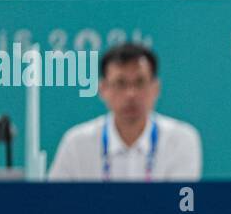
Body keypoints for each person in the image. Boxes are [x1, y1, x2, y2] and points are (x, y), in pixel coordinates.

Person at [48, 43, 202, 181]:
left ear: (155, 88)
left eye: (140, 82)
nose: (131, 94)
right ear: (103, 89)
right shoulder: (76, 143)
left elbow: (181, 206)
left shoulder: (181, 139)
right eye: (120, 83)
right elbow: (56, 204)